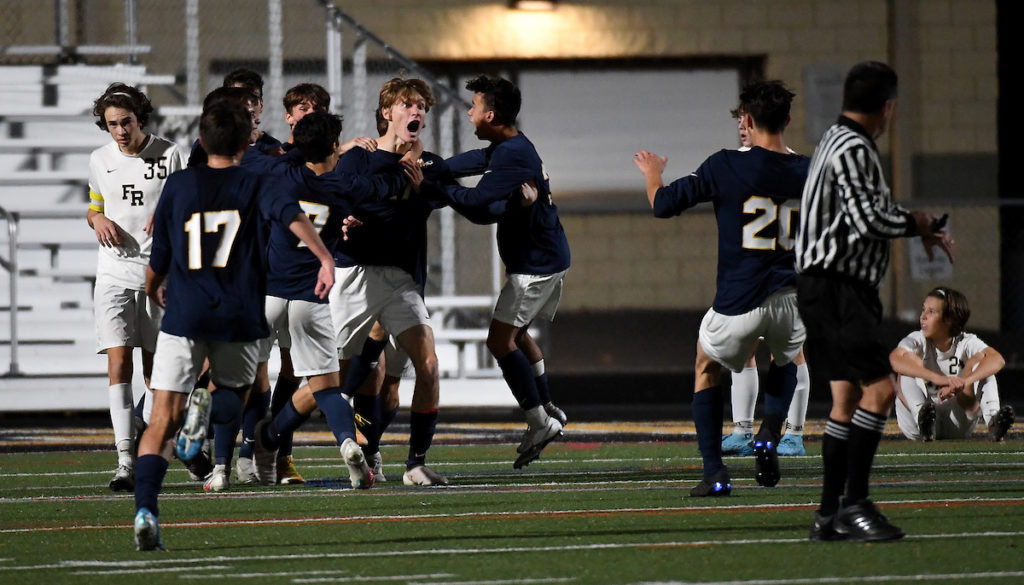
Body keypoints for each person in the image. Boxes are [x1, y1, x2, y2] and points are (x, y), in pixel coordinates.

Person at [132, 101, 335, 551]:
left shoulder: (179, 185)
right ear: (248, 142)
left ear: (200, 142)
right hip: (239, 314)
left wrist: (152, 288)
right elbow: (293, 217)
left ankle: (146, 508)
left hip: (185, 312)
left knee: (160, 420)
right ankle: (205, 405)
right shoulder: (259, 181)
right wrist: (323, 256)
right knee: (238, 401)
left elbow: (159, 257)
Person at [796, 61, 954, 542]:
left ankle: (827, 514)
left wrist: (913, 223)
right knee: (882, 390)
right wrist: (921, 223)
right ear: (887, 107)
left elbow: (865, 212)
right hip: (839, 290)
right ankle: (855, 505)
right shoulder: (855, 148)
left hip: (825, 288)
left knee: (846, 399)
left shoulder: (833, 139)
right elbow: (870, 220)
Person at [633, 80, 809, 497]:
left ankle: (714, 472)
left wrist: (654, 173)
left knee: (705, 365)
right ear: (787, 119)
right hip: (790, 298)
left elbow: (663, 205)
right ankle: (770, 429)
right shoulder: (810, 169)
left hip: (739, 299)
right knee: (786, 359)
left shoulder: (725, 164)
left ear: (746, 120)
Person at [442, 75, 571, 469]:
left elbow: (479, 204)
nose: (469, 111)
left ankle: (538, 420)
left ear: (491, 114)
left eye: (475, 105)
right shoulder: (511, 146)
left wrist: (437, 186)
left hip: (535, 266)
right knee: (516, 334)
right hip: (545, 259)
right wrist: (437, 167)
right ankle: (547, 404)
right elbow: (478, 161)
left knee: (499, 342)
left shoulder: (512, 153)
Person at [86, 83, 186, 492]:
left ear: (139, 118)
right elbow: (95, 207)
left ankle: (155, 440)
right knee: (117, 363)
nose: (120, 131)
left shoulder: (169, 154)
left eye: (125, 122)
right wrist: (97, 220)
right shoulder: (99, 160)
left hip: (158, 276)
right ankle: (125, 459)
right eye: (112, 124)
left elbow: (186, 204)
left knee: (155, 371)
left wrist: (165, 219)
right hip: (112, 274)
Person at [720, 103, 811, 458]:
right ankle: (742, 429)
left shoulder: (788, 164)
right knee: (741, 351)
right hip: (746, 278)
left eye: (749, 120)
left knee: (790, 354)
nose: (744, 126)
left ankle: (795, 433)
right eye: (740, 120)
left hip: (783, 277)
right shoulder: (736, 163)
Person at [890, 287, 1014, 442]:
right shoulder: (917, 339)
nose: (923, 316)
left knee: (981, 362)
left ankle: (994, 423)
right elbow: (895, 359)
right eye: (923, 310)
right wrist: (937, 378)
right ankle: (924, 421)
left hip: (956, 420)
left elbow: (997, 359)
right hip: (916, 423)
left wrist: (963, 383)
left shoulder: (967, 342)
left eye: (931, 312)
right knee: (908, 360)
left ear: (949, 319)